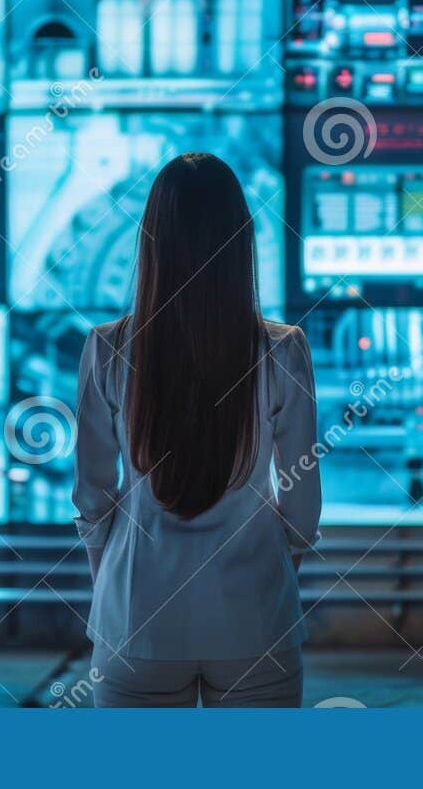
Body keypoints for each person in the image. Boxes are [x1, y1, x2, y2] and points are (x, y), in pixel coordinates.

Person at [72, 152, 321, 707]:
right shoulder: (284, 351)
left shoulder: (107, 349)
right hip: (256, 623)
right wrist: (270, 570)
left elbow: (93, 499)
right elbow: (302, 509)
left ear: (150, 240)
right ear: (242, 242)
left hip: (135, 619)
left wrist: (109, 580)